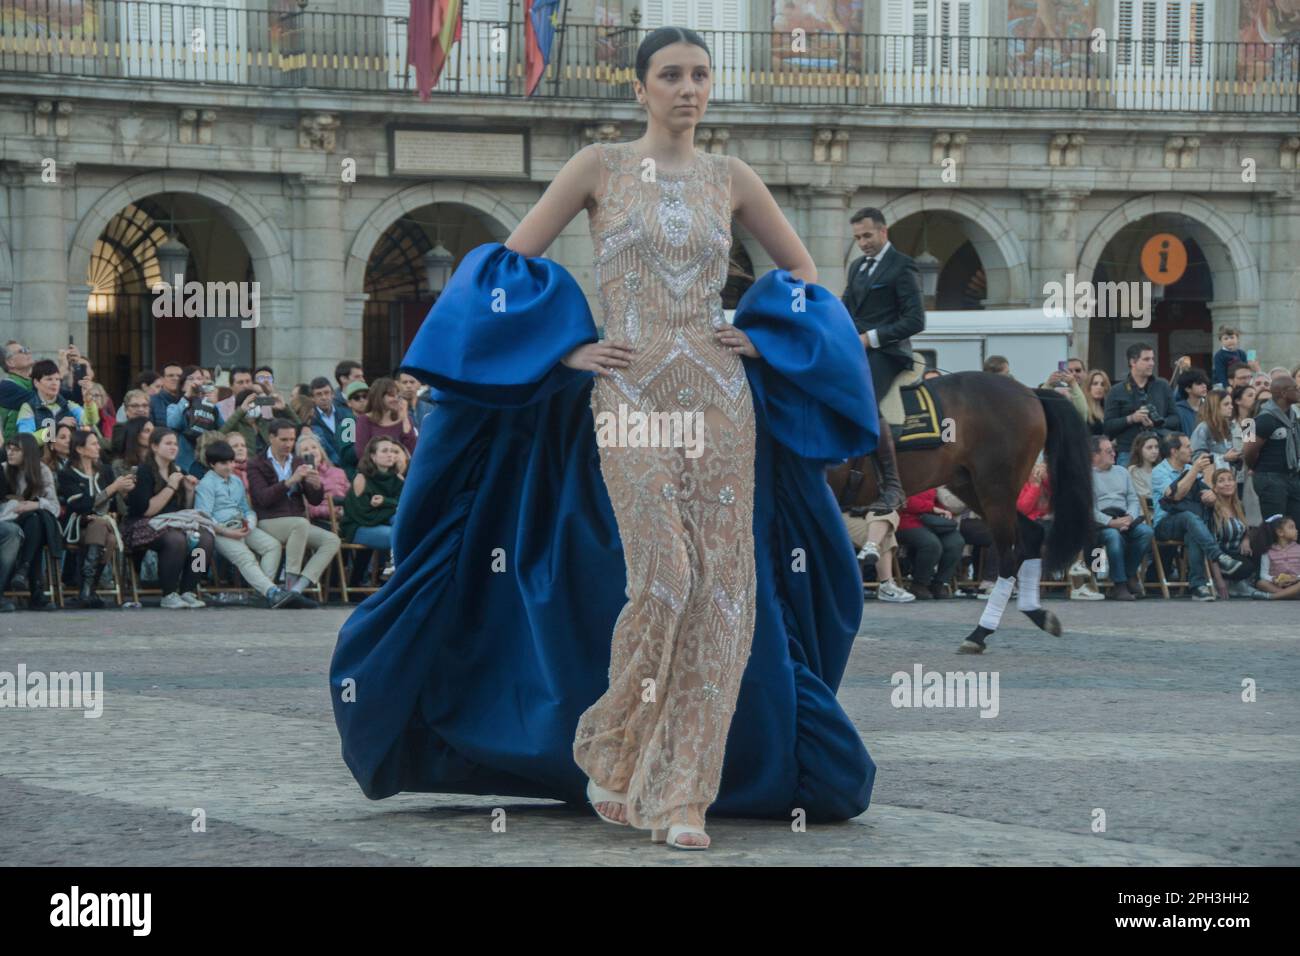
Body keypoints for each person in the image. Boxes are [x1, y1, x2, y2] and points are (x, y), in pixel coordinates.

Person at [330, 26, 879, 852]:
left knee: (725, 595)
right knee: (664, 578)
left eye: (700, 75)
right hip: (627, 395)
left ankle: (685, 793)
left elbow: (804, 275)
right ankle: (614, 744)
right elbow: (506, 267)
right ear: (639, 88)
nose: (688, 89)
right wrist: (565, 350)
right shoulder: (598, 166)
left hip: (721, 401)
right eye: (671, 75)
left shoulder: (733, 178)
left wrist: (763, 338)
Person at [840, 205, 924, 514]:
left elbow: (915, 320)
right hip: (858, 349)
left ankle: (892, 486)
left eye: (867, 236)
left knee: (865, 399)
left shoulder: (903, 266)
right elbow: (845, 309)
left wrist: (870, 338)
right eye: (857, 238)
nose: (862, 243)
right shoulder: (856, 268)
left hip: (889, 352)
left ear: (883, 231)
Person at [247, 418, 340, 608]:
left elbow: (314, 500)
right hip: (269, 520)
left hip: (296, 523)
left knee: (332, 540)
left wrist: (316, 486)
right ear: (271, 437)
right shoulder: (257, 463)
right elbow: (262, 498)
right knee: (301, 524)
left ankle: (296, 589)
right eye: (283, 439)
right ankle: (289, 584)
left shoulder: (298, 461)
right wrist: (290, 481)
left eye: (291, 439)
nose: (288, 444)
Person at [122, 427, 216, 609]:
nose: (174, 447)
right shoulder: (143, 472)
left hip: (174, 523)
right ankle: (169, 593)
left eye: (175, 444)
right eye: (168, 443)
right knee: (176, 540)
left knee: (205, 539)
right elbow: (147, 510)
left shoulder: (178, 470)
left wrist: (189, 491)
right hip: (144, 525)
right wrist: (171, 486)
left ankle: (188, 590)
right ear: (155, 447)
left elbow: (184, 511)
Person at [195, 439, 293, 609]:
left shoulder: (236, 481)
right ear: (212, 464)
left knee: (272, 546)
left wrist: (250, 524)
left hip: (242, 525)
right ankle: (271, 592)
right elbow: (204, 517)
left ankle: (261, 593)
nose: (229, 467)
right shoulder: (206, 484)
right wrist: (227, 532)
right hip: (219, 531)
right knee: (245, 557)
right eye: (223, 463)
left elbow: (246, 509)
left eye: (231, 462)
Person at [1150, 432, 1244, 601]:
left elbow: (1204, 494)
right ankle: (1218, 556)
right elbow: (1175, 496)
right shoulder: (1159, 471)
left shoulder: (1189, 469)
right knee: (1189, 517)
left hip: (1190, 524)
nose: (1191, 450)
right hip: (1165, 524)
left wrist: (1211, 496)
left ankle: (1198, 586)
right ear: (1174, 451)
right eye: (1187, 447)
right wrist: (1194, 469)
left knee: (1193, 528)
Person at [58, 429, 133, 608]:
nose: (98, 447)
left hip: (102, 525)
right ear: (80, 449)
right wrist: (112, 488)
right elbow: (80, 505)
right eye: (93, 444)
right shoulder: (67, 474)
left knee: (107, 532)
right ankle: (88, 591)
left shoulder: (105, 471)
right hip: (77, 526)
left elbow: (112, 505)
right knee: (105, 532)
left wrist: (124, 492)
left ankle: (87, 590)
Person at [0, 433, 62, 608]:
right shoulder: (3, 469)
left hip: (32, 523)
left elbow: (55, 507)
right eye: (8, 449)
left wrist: (35, 504)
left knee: (35, 519)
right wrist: (18, 506)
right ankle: (35, 589)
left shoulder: (42, 471)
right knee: (35, 521)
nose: (10, 453)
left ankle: (24, 572)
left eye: (16, 450)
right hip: (7, 519)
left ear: (28, 452)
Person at [1090, 435, 1153, 600]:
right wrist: (1111, 522)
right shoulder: (1086, 476)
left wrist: (1129, 518)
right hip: (1100, 524)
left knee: (1146, 532)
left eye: (1113, 450)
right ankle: (1120, 585)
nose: (1114, 454)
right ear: (1095, 455)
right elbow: (1089, 509)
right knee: (1113, 536)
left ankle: (1129, 574)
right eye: (1108, 451)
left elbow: (1133, 499)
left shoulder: (1122, 472)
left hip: (1124, 518)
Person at [341, 436, 404, 585]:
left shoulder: (397, 478)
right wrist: (391, 509)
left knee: (402, 522)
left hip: (381, 523)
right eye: (385, 451)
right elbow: (362, 515)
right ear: (373, 456)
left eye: (393, 451)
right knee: (395, 535)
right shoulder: (361, 478)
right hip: (358, 527)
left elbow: (405, 506)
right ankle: (390, 577)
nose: (390, 454)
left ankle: (392, 575)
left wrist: (385, 502)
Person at [1103, 342, 1179, 466]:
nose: (1152, 363)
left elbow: (1175, 419)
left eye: (1152, 359)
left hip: (1159, 451)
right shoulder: (1117, 390)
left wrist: (1158, 422)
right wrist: (1131, 418)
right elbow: (1108, 426)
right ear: (1133, 362)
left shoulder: (1162, 386)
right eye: (1146, 359)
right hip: (1129, 452)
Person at [1242, 375, 1300, 528]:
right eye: (1295, 389)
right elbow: (1248, 451)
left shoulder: (1292, 416)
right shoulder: (1264, 419)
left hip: (1291, 475)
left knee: (1295, 525)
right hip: (1270, 477)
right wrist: (1255, 467)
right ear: (1283, 393)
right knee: (1275, 526)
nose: (1298, 391)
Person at [1206, 467, 1264, 599]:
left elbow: (1246, 528)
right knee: (1245, 567)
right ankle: (1223, 583)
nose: (1227, 483)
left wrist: (1246, 539)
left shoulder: (1239, 506)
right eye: (1221, 481)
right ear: (1215, 488)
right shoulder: (1212, 510)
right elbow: (1210, 548)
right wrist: (1219, 580)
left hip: (1236, 554)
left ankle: (1239, 583)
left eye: (1230, 479)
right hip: (1219, 558)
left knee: (1260, 545)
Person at [897, 488, 964, 600]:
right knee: (931, 544)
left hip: (932, 520)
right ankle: (919, 584)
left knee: (956, 542)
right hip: (907, 520)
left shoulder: (932, 481)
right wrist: (932, 508)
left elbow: (936, 502)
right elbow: (904, 502)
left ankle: (940, 583)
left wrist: (943, 511)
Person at [167, 365, 224, 471]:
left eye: (199, 379)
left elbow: (223, 428)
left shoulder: (211, 407)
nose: (196, 382)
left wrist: (213, 405)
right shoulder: (174, 407)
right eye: (191, 378)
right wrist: (187, 396)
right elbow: (173, 423)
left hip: (208, 460)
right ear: (182, 386)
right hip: (186, 462)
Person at [16, 359, 88, 441]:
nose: (54, 383)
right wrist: (57, 426)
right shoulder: (28, 408)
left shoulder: (68, 405)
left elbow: (89, 422)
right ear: (36, 382)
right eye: (49, 379)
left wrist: (89, 402)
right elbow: (26, 439)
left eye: (57, 379)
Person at [353, 377, 418, 458]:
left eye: (398, 395)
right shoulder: (364, 420)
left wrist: (405, 419)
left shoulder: (404, 419)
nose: (396, 399)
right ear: (379, 397)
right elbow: (361, 453)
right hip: (373, 465)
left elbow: (412, 451)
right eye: (391, 395)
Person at [296, 432, 348, 528]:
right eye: (305, 450)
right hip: (323, 522)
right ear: (299, 457)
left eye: (314, 447)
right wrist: (332, 511)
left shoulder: (339, 472)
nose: (311, 451)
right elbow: (309, 509)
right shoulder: (301, 478)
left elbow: (351, 496)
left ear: (320, 451)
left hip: (347, 517)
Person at [307, 377, 355, 472]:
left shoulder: (346, 414)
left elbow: (352, 443)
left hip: (350, 466)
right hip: (327, 469)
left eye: (327, 393)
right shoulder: (310, 420)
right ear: (312, 398)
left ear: (333, 394)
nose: (324, 397)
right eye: (319, 394)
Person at [1190, 388, 1240, 473]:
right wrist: (1223, 458)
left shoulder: (1231, 426)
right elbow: (1197, 458)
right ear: (1215, 406)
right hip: (1210, 477)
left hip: (1228, 476)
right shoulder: (1203, 428)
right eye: (1226, 404)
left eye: (1231, 403)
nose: (1231, 407)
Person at [1255, 515, 1300, 599]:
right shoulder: (1268, 552)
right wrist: (1274, 579)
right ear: (1280, 532)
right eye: (1291, 527)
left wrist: (1296, 578)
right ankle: (1290, 595)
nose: (1296, 530)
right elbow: (1263, 574)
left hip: (1296, 583)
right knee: (1261, 583)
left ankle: (1272, 596)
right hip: (1278, 585)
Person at [0, 340, 37, 441]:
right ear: (10, 362)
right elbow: (43, 401)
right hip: (14, 448)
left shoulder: (34, 382)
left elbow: (70, 398)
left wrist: (76, 366)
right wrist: (61, 371)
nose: (28, 353)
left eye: (27, 349)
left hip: (35, 445)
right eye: (22, 351)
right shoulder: (6, 386)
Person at [1126, 430, 1162, 505]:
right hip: (1147, 510)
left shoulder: (1161, 468)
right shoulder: (1134, 470)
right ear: (1139, 449)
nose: (1154, 451)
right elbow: (1146, 498)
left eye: (1156, 447)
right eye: (1149, 448)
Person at [1174, 368, 1210, 436]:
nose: (1204, 386)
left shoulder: (1209, 408)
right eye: (1199, 383)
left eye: (1204, 382)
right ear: (1188, 389)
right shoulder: (1178, 410)